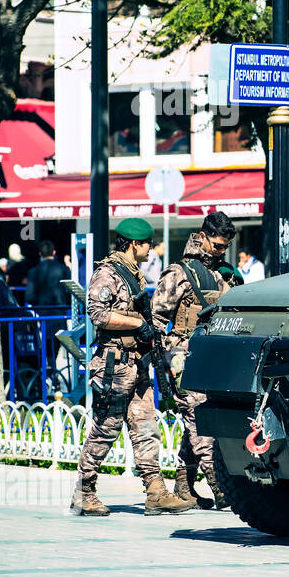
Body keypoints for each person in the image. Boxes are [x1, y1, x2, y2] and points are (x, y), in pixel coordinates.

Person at [70, 218, 196, 517]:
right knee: (105, 430)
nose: (151, 249)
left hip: (137, 364)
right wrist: (137, 323)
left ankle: (156, 493)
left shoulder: (133, 274)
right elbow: (98, 314)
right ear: (133, 243)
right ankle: (84, 493)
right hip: (113, 366)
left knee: (146, 428)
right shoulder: (108, 273)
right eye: (147, 244)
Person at [152, 212, 239, 510]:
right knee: (200, 418)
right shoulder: (178, 272)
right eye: (216, 245)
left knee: (199, 417)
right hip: (184, 355)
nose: (221, 251)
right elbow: (156, 318)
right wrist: (167, 358)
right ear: (201, 237)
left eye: (225, 247)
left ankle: (183, 485)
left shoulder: (224, 273)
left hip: (214, 355)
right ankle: (222, 488)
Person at [25, 240, 71, 310]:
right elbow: (70, 291)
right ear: (54, 252)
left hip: (41, 310)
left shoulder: (33, 271)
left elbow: (29, 296)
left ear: (40, 254)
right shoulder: (64, 269)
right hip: (60, 309)